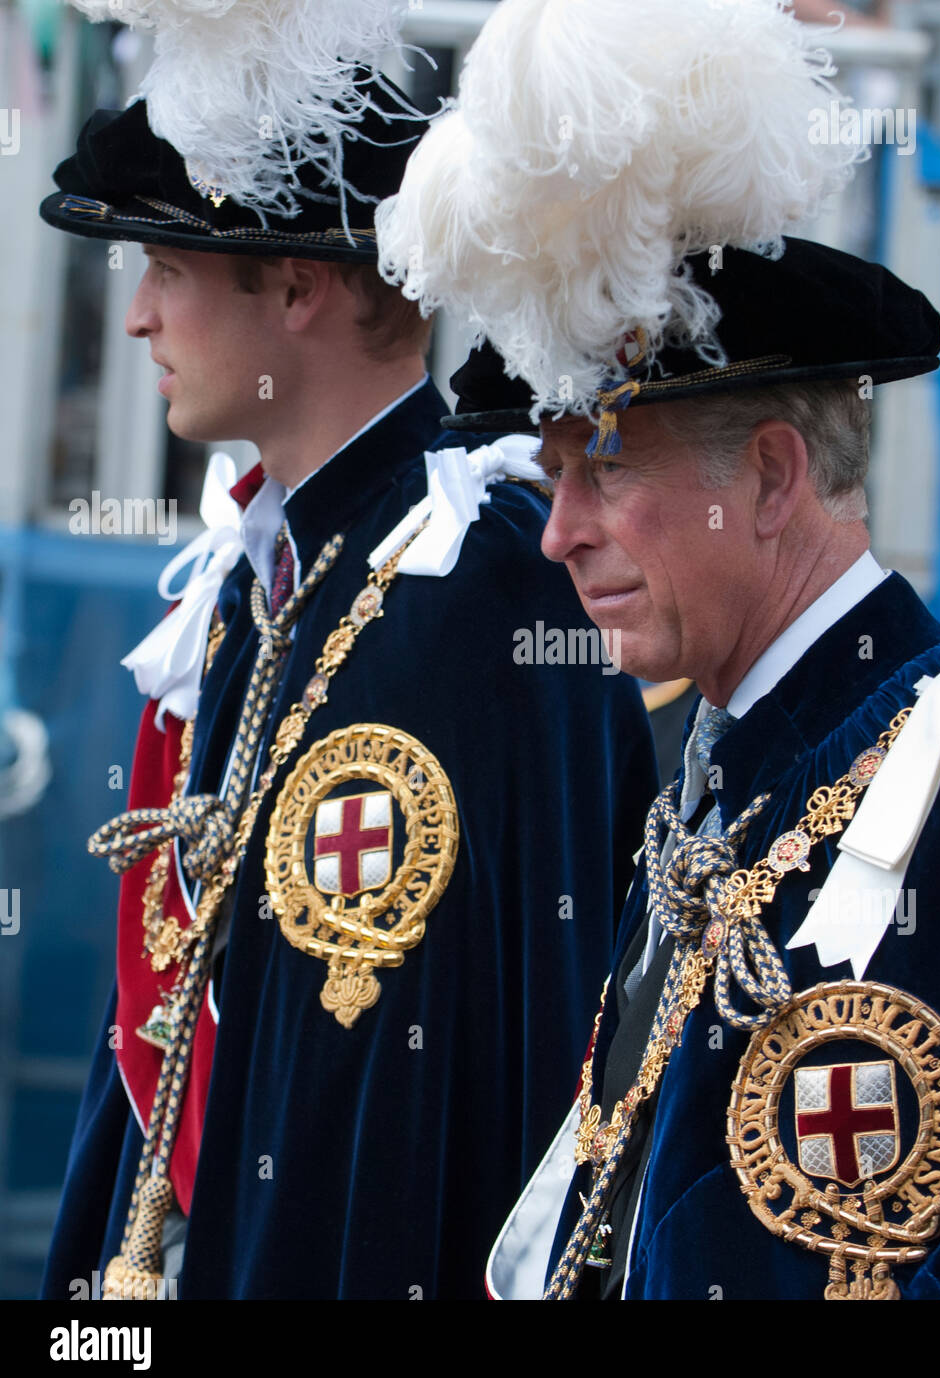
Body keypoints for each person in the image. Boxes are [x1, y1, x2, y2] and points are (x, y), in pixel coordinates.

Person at [375, 0, 940, 1300]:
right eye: (550, 477)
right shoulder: (724, 772)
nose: (556, 533)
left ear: (772, 478)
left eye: (602, 471)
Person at [36, 31, 657, 1298]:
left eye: (166, 268)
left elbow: (493, 1075)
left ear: (299, 290)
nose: (141, 314)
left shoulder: (483, 584)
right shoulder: (252, 577)